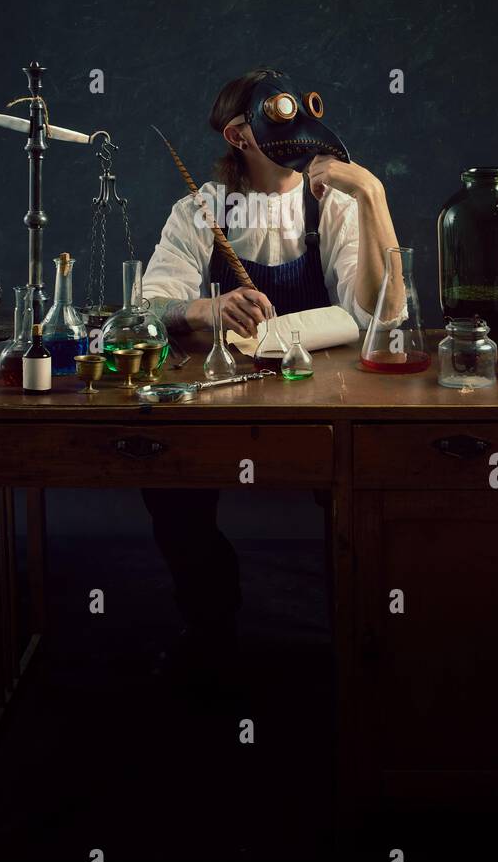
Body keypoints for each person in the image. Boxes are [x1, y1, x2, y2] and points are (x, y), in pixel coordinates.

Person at [142, 67, 401, 684]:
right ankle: (210, 627)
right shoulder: (202, 209)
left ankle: (356, 635)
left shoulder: (331, 205)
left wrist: (370, 193)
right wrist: (207, 308)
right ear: (240, 134)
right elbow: (147, 307)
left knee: (366, 483)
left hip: (323, 397)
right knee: (169, 482)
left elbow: (383, 316)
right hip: (221, 397)